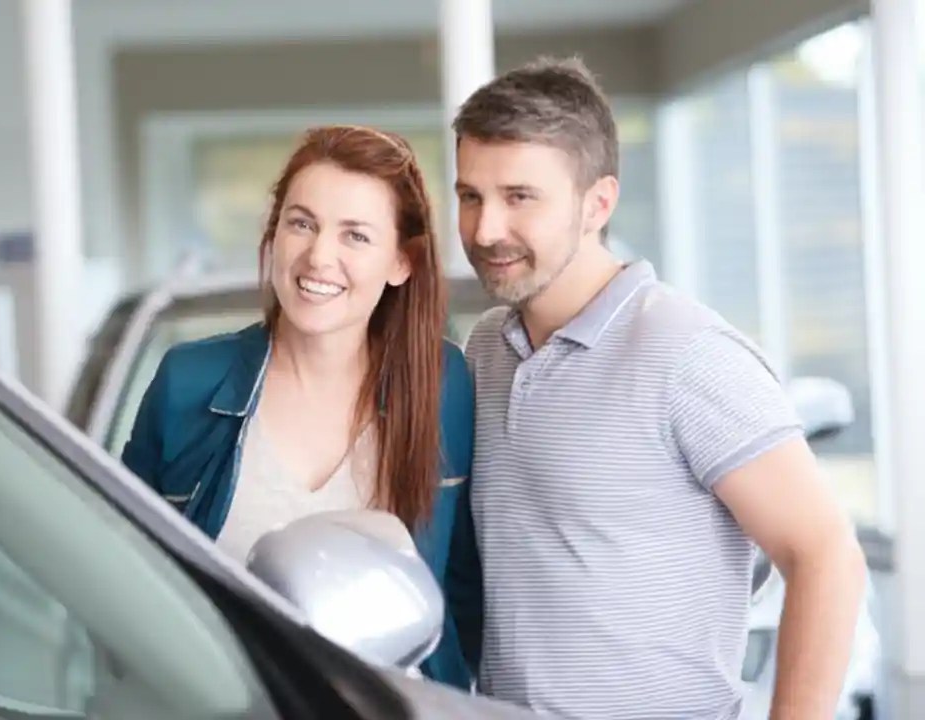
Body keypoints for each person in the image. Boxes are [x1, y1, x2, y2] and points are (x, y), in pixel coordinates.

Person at [451, 57, 867, 718]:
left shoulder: (687, 353)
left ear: (598, 202)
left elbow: (825, 555)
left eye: (519, 196)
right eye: (470, 195)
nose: (484, 229)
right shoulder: (488, 347)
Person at [121, 125, 480, 688]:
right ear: (274, 235)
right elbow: (124, 577)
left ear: (401, 262)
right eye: (302, 223)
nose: (319, 256)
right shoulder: (186, 382)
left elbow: (461, 592)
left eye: (355, 236)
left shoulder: (444, 385)